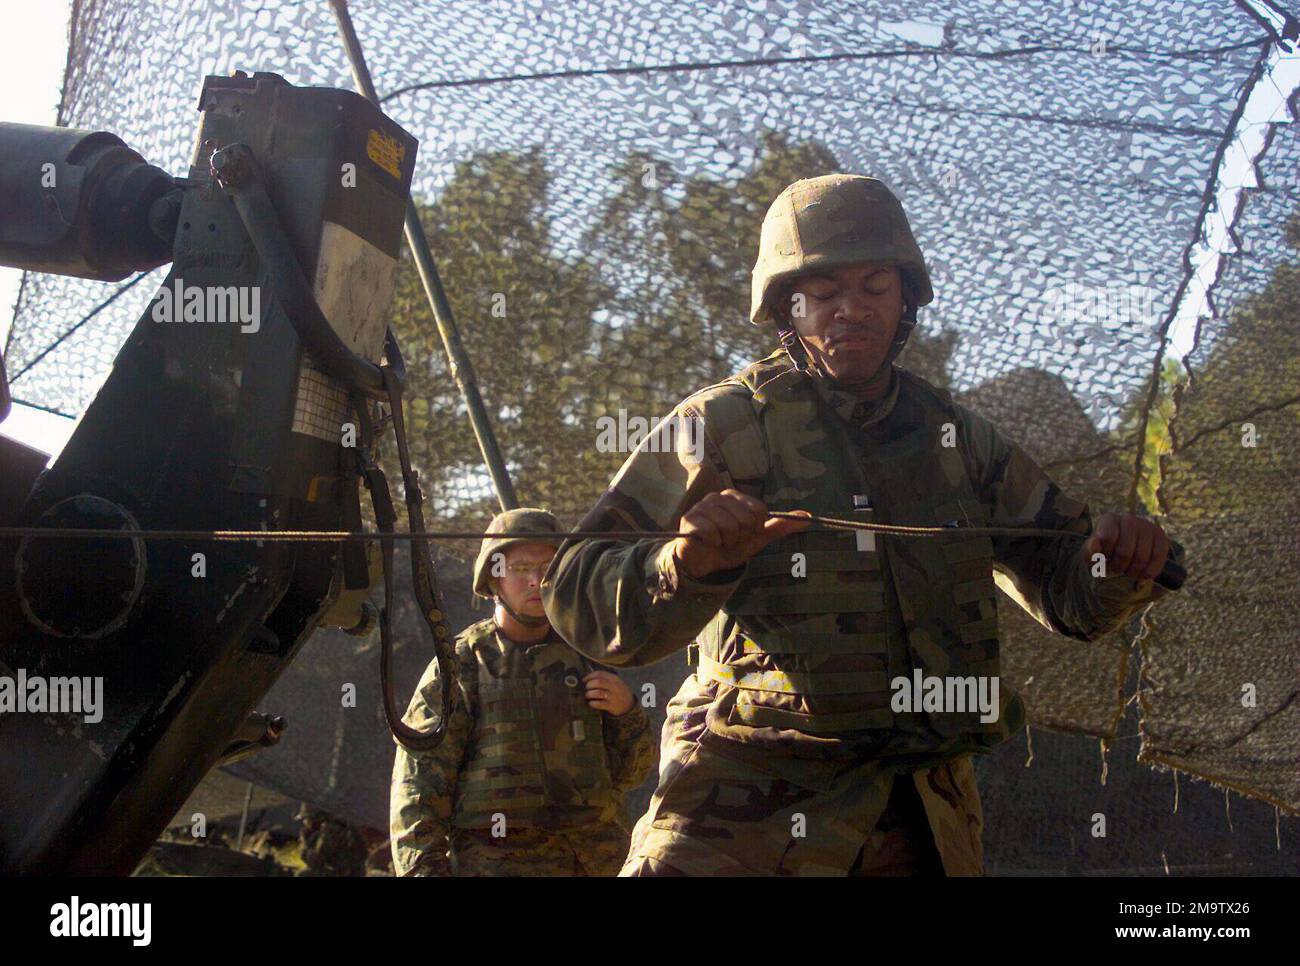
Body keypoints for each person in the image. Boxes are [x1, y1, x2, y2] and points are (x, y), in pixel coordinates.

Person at [540, 174, 1183, 876]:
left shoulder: (958, 441)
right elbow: (575, 591)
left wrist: (1116, 566)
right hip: (738, 821)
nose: (852, 310)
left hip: (925, 821)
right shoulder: (720, 426)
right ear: (788, 307)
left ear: (906, 298)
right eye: (825, 293)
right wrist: (688, 566)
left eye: (875, 287)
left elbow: (1068, 592)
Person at [389, 508, 657, 876]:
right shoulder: (463, 663)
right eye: (519, 569)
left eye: (547, 568)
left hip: (597, 861)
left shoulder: (589, 654)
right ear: (493, 578)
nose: (535, 580)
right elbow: (419, 783)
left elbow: (632, 773)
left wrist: (627, 712)